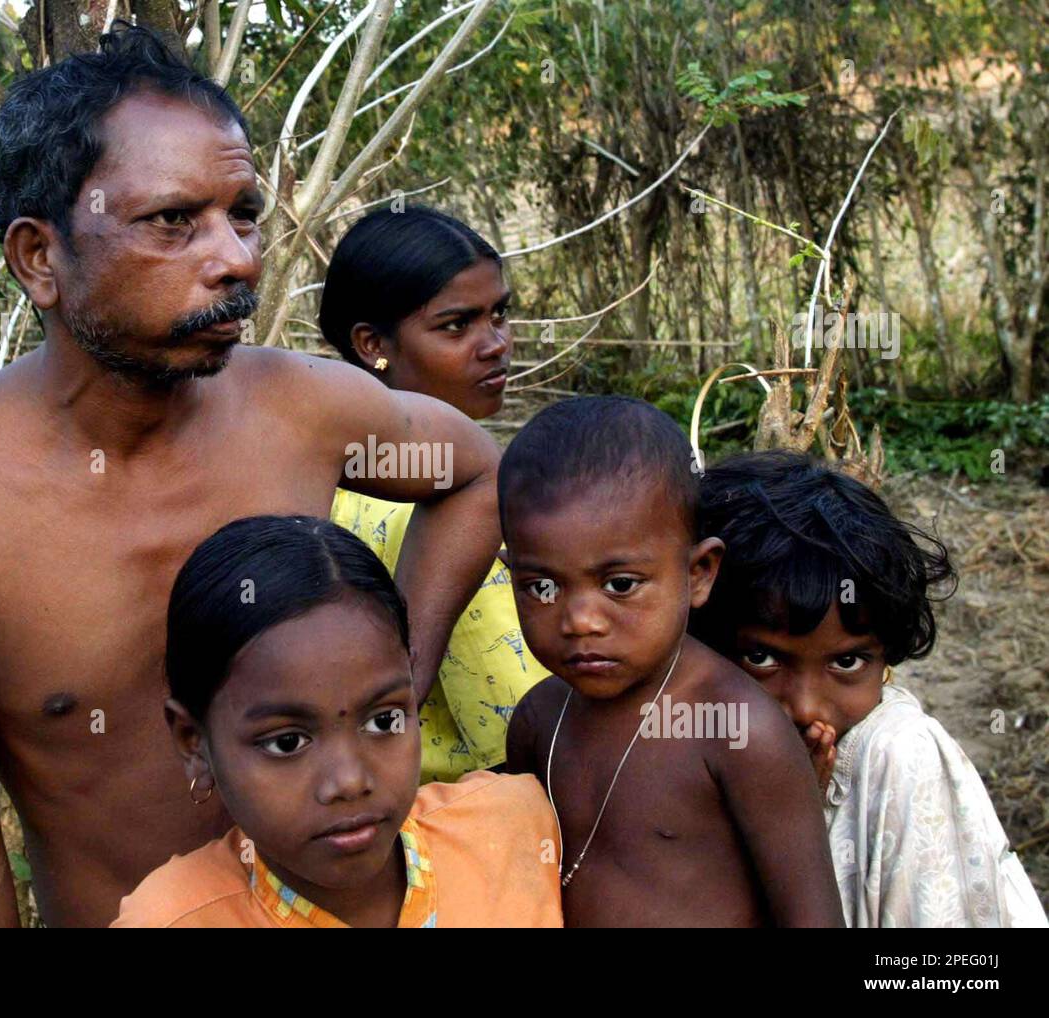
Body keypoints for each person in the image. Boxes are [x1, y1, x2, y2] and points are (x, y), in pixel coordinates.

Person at [0, 26, 503, 928]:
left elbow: (475, 473)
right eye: (173, 221)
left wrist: (401, 676)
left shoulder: (305, 413)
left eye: (242, 213)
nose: (237, 258)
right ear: (40, 257)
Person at [113, 516, 563, 928]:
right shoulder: (173, 919)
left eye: (384, 720)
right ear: (194, 743)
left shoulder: (515, 831)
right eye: (287, 743)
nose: (349, 781)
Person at [501, 397, 844, 927]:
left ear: (699, 573)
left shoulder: (738, 730)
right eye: (541, 587)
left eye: (620, 585)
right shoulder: (537, 721)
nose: (580, 621)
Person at [692, 450, 1048, 928]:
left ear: (885, 658)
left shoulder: (900, 755)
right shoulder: (683, 738)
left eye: (846, 661)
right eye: (761, 658)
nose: (804, 706)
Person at [320, 206, 547, 782]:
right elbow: (521, 724)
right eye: (456, 325)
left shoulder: (330, 481)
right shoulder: (453, 505)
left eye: (500, 314)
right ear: (373, 343)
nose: (494, 344)